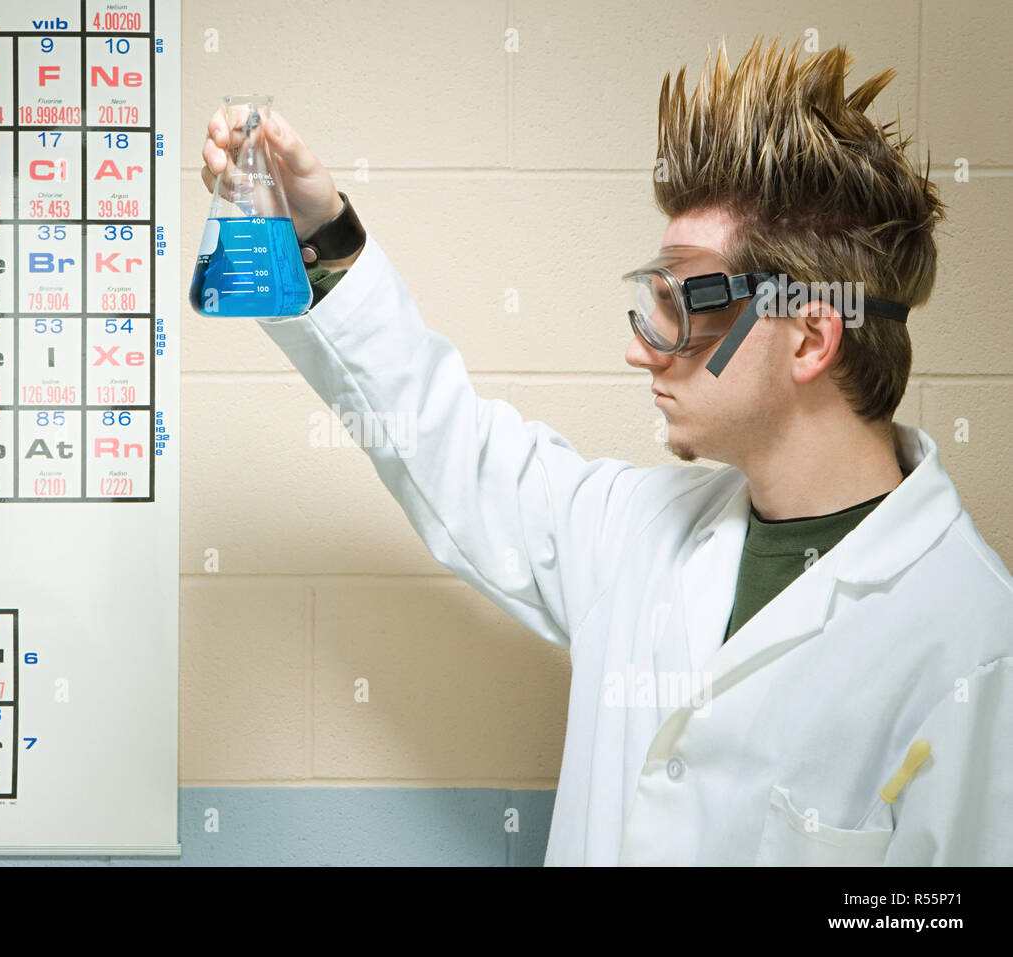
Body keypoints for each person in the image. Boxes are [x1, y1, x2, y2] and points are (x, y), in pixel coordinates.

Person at [199, 38, 1013, 865]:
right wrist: (321, 232)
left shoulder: (973, 640)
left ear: (809, 335)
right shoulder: (636, 533)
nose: (641, 348)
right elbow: (444, 438)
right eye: (646, 301)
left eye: (681, 303)